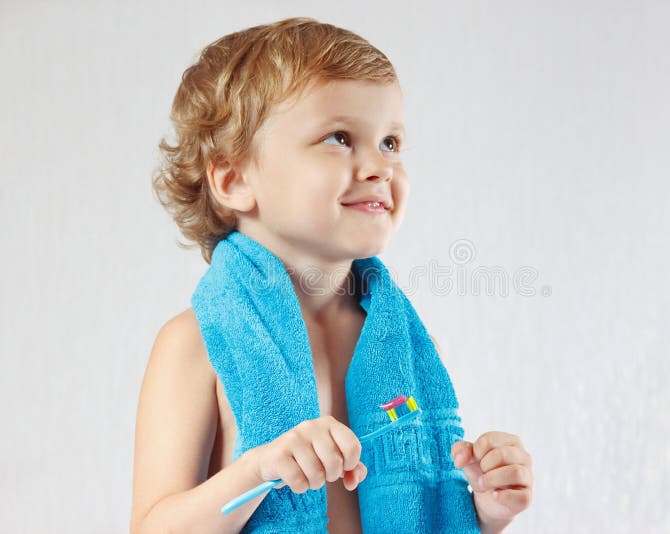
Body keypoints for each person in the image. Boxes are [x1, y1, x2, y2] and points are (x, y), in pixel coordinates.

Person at [131, 16, 533, 534]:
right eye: (339, 137)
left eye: (390, 142)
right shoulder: (196, 344)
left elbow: (424, 513)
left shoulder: (404, 346)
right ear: (233, 179)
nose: (380, 166)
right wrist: (258, 471)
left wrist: (485, 510)